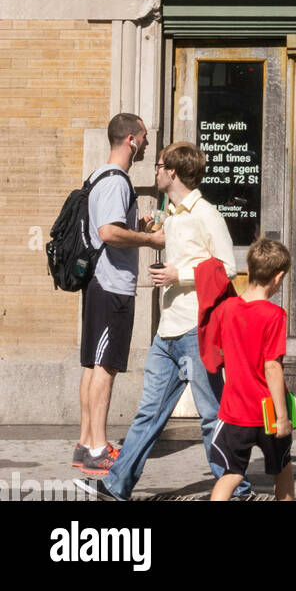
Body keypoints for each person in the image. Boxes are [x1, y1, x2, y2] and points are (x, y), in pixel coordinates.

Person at [76, 141, 243, 501]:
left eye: (160, 165)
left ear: (174, 172)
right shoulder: (175, 214)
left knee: (212, 416)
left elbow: (228, 266)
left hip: (194, 330)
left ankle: (238, 486)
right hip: (167, 331)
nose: (155, 170)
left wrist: (178, 275)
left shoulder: (206, 214)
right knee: (148, 414)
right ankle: (117, 486)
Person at [75, 113, 165, 478]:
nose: (145, 144)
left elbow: (111, 228)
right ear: (131, 139)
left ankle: (86, 443)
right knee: (105, 368)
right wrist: (149, 239)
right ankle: (97, 449)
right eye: (143, 137)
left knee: (94, 365)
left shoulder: (100, 176)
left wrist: (134, 227)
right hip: (111, 285)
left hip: (101, 283)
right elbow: (108, 233)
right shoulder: (116, 181)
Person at [209, 237, 295, 502]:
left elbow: (219, 351)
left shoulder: (226, 309)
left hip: (235, 410)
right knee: (282, 469)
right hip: (268, 411)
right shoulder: (275, 315)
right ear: (278, 278)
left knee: (232, 473)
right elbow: (272, 367)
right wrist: (282, 416)